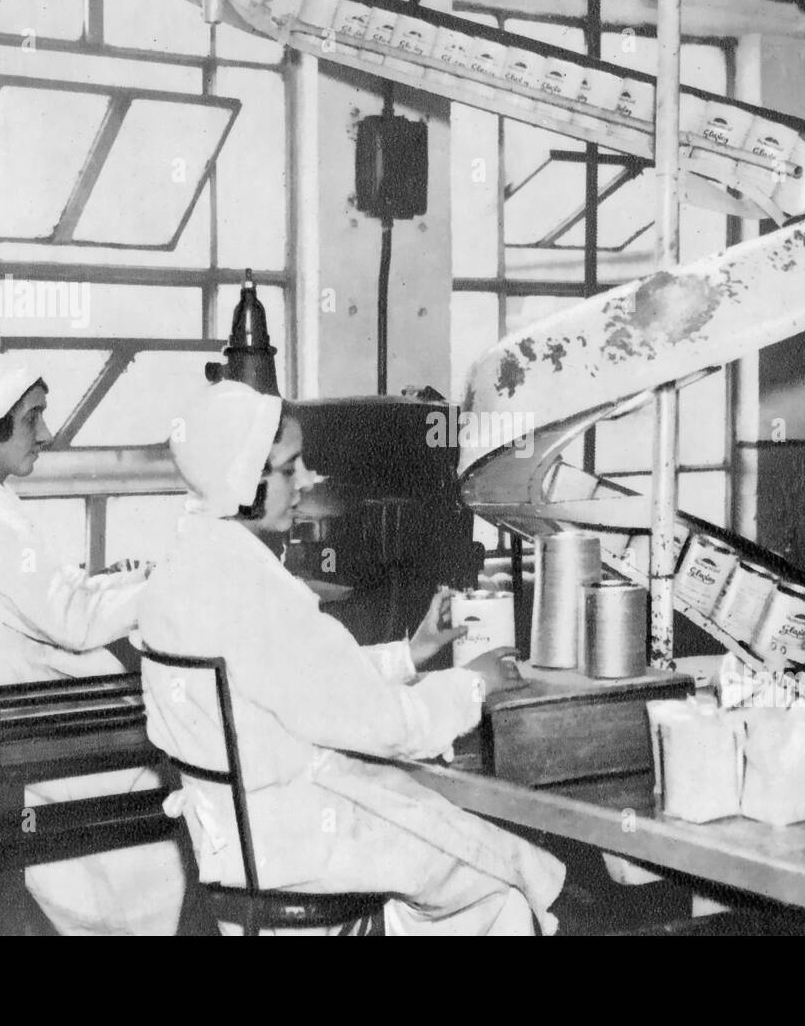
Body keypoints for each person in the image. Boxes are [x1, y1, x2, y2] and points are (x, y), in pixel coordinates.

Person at [138, 380, 566, 935]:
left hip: (236, 840)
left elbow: (295, 683)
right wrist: (473, 686)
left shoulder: (182, 573)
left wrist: (410, 655)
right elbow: (383, 724)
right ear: (244, 479)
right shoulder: (256, 592)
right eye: (290, 468)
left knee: (468, 856)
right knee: (499, 879)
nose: (306, 481)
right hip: (300, 842)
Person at [0, 350, 186, 935]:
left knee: (154, 817)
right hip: (13, 728)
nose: (48, 434)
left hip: (17, 715)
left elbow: (54, 599)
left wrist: (128, 580)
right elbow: (71, 620)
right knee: (167, 817)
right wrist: (169, 583)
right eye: (34, 418)